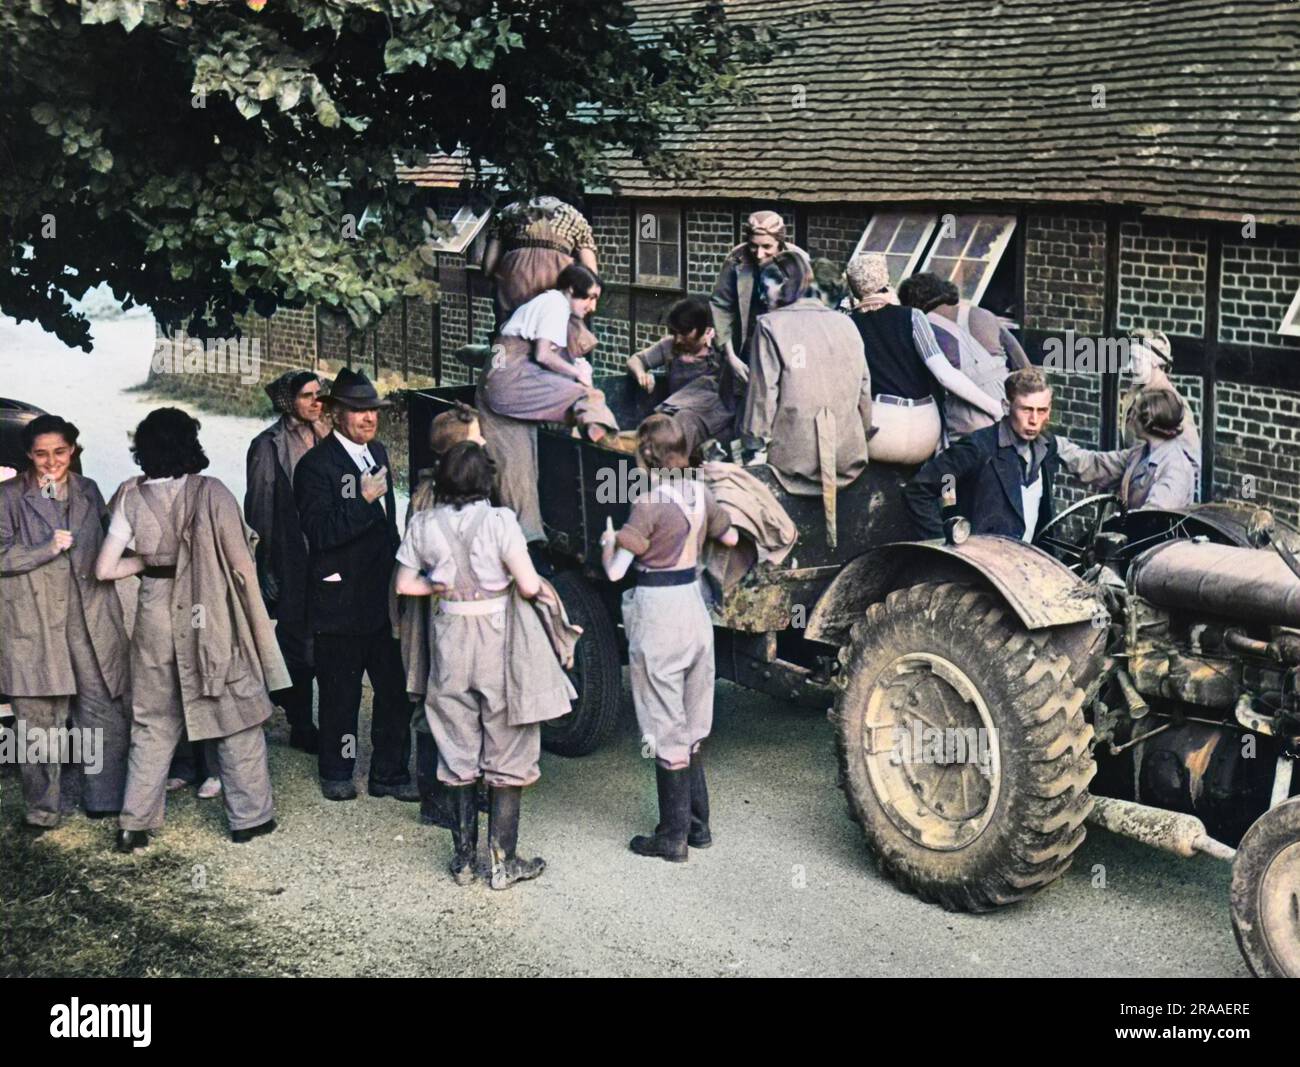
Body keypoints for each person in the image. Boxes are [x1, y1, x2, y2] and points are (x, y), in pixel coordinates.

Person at [96, 408, 285, 850]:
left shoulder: (128, 495)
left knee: (151, 722)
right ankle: (249, 819)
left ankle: (134, 824)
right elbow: (241, 568)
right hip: (208, 614)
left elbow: (104, 569)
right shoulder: (212, 493)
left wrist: (145, 561)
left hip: (154, 615)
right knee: (234, 715)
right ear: (190, 444)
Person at [394, 442, 558, 889]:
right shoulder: (501, 522)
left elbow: (406, 584)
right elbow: (526, 585)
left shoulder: (424, 524)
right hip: (497, 639)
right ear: (486, 479)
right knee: (508, 745)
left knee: (456, 745)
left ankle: (464, 862)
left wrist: (440, 585)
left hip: (449, 638)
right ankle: (504, 863)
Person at [600, 415, 738, 861]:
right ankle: (700, 827)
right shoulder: (702, 494)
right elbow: (731, 536)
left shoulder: (648, 504)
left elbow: (616, 571)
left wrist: (608, 541)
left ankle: (671, 837)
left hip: (658, 613)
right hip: (694, 610)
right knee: (694, 722)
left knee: (664, 723)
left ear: (646, 456)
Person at [293, 369, 418, 803]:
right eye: (358, 411)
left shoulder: (378, 452)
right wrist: (361, 502)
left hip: (381, 596)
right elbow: (319, 533)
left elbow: (387, 525)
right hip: (340, 599)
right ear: (334, 414)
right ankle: (337, 771)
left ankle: (390, 773)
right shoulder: (314, 466)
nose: (369, 419)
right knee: (340, 693)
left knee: (393, 690)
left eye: (374, 411)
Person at [0, 415, 130, 831]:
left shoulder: (88, 490)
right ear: (28, 455)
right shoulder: (7, 497)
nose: (51, 460)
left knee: (103, 707)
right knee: (38, 718)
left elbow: (112, 538)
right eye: (41, 453)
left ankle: (104, 800)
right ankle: (43, 811)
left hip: (89, 617)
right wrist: (43, 549)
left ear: (72, 450)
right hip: (35, 621)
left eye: (59, 451)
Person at [476, 264, 619, 546]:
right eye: (589, 297)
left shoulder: (543, 303)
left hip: (495, 384)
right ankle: (608, 439)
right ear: (569, 291)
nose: (592, 306)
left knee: (518, 472)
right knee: (587, 396)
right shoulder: (556, 304)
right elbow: (543, 355)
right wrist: (577, 373)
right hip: (512, 379)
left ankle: (528, 543)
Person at [399, 401, 486, 829]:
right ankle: (435, 798)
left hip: (451, 613)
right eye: (476, 441)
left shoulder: (449, 492)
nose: (484, 444)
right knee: (434, 701)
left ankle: (461, 790)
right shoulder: (429, 499)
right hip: (437, 614)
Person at [740, 248, 873, 495]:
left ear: (784, 286)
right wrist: (862, 436)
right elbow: (864, 391)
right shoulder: (848, 324)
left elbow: (762, 398)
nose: (762, 295)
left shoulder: (769, 325)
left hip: (791, 467)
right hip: (846, 461)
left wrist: (752, 446)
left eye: (766, 286)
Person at [846, 253, 1002, 464]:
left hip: (880, 434)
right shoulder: (912, 316)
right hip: (924, 435)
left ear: (854, 289)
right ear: (887, 282)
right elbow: (945, 375)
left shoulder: (848, 324)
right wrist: (996, 408)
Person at [245, 370, 330, 754]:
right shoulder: (269, 445)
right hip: (291, 550)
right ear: (287, 401)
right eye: (307, 396)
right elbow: (260, 507)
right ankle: (299, 719)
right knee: (299, 637)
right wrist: (263, 563)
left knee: (326, 634)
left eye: (319, 395)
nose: (316, 402)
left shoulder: (326, 434)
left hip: (327, 548)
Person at [904, 367, 1059, 542]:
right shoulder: (977, 448)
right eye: (1026, 409)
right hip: (980, 563)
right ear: (1006, 406)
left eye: (1042, 410)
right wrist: (944, 544)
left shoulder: (1047, 446)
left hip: (1025, 561)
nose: (1034, 420)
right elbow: (920, 490)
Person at [898, 273, 1018, 440]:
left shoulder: (922, 327)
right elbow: (1023, 365)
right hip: (1009, 406)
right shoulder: (984, 314)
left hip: (966, 416)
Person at [626, 295, 734, 458]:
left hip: (711, 422)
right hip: (675, 414)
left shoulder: (721, 350)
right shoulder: (670, 346)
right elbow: (635, 360)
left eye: (684, 333)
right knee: (666, 426)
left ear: (705, 330)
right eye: (674, 333)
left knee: (698, 398)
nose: (677, 339)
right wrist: (641, 373)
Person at [1056, 388, 1197, 510]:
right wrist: (1057, 445)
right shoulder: (1140, 454)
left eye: (1133, 413)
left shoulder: (1176, 469)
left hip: (1152, 540)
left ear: (1147, 422)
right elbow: (1097, 464)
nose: (1130, 418)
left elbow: (1155, 518)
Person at [710, 209, 805, 377]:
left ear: (780, 243)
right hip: (746, 344)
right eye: (754, 246)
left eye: (767, 247)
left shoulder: (799, 261)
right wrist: (731, 357)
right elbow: (722, 306)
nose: (759, 254)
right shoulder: (736, 258)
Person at [482, 195, 599, 325]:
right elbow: (590, 274)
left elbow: (488, 267)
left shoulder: (509, 212)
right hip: (555, 287)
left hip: (515, 284)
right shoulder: (574, 216)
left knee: (508, 337)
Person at [1123, 329, 1201, 489]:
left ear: (1154, 362)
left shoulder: (1172, 405)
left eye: (1136, 360)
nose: (1130, 366)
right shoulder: (1136, 395)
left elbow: (1191, 465)